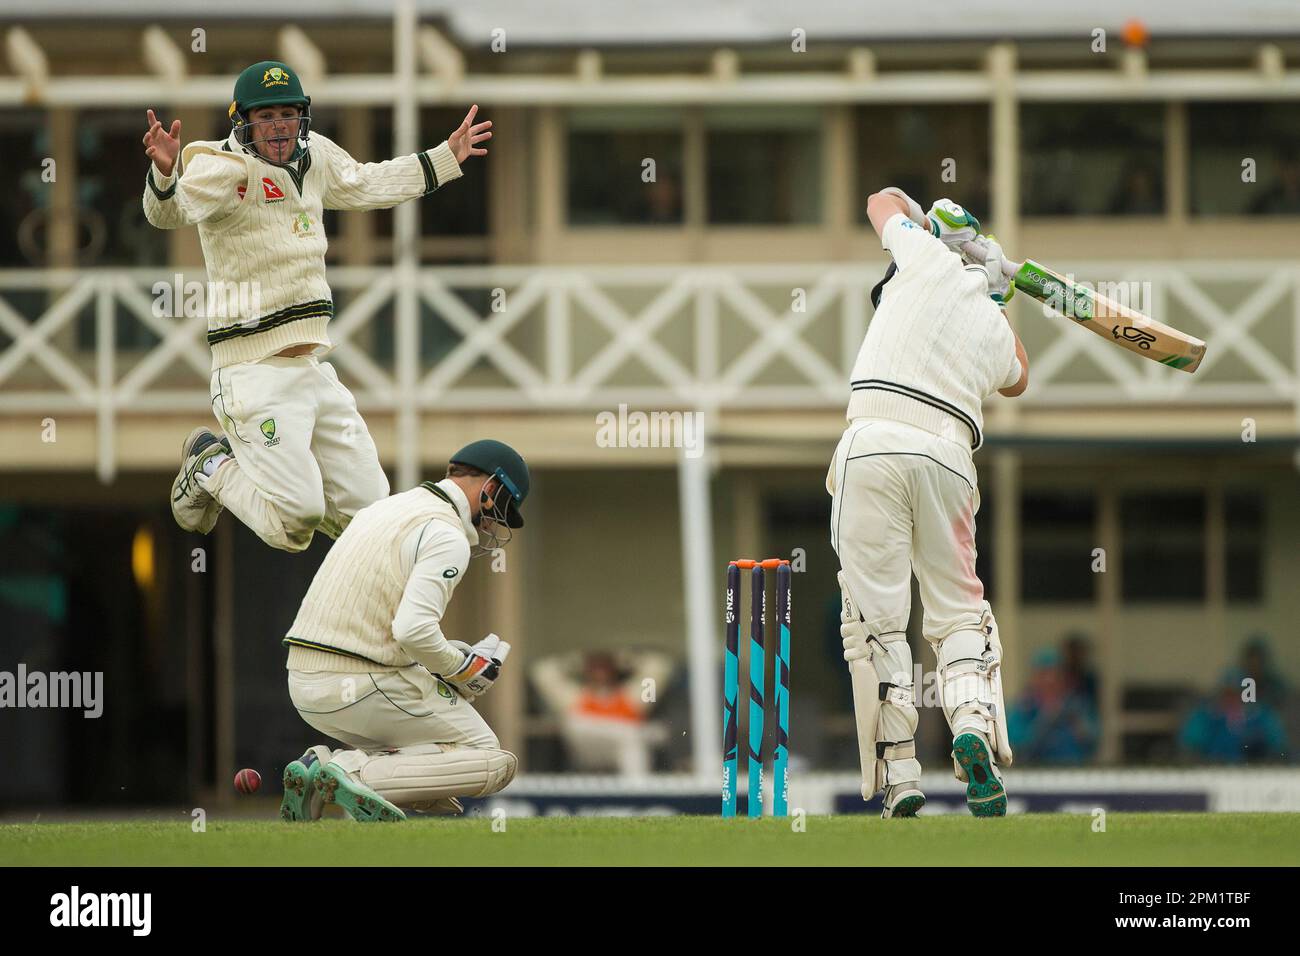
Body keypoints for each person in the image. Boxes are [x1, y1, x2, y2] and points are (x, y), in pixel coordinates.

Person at [143, 60, 492, 552]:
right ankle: (210, 465)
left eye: (288, 113)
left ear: (302, 118)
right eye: (266, 116)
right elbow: (170, 213)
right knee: (298, 518)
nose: (279, 126)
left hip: (311, 367)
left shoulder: (317, 157)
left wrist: (445, 158)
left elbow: (368, 184)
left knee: (374, 518)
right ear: (241, 121)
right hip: (250, 373)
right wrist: (163, 173)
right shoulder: (223, 168)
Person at [827, 187, 1028, 818]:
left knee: (877, 621)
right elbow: (1020, 376)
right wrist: (994, 284)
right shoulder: (991, 323)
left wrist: (934, 224)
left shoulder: (918, 256)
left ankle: (902, 774)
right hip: (947, 455)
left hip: (871, 444)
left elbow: (877, 199)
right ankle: (970, 724)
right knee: (959, 611)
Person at [277, 439, 528, 822]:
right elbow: (412, 630)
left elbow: (385, 622)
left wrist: (452, 660)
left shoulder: (384, 508)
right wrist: (461, 670)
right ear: (491, 489)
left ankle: (319, 771)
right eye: (503, 510)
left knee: (433, 746)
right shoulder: (447, 534)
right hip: (360, 681)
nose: (495, 524)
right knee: (489, 757)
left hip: (304, 682)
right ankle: (350, 770)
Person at [1007, 647, 1100, 764]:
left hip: (1073, 772)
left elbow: (1092, 738)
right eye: (1043, 674)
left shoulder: (1077, 705)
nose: (1049, 680)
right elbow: (1016, 743)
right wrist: (1045, 718)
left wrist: (1078, 724)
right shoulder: (1023, 707)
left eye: (1055, 675)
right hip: (1032, 773)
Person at [1179, 667, 1287, 765]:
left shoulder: (1262, 716)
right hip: (1212, 771)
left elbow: (1279, 747)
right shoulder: (1204, 717)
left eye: (1237, 694)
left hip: (1255, 773)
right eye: (1227, 694)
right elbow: (1190, 747)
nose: (1231, 699)